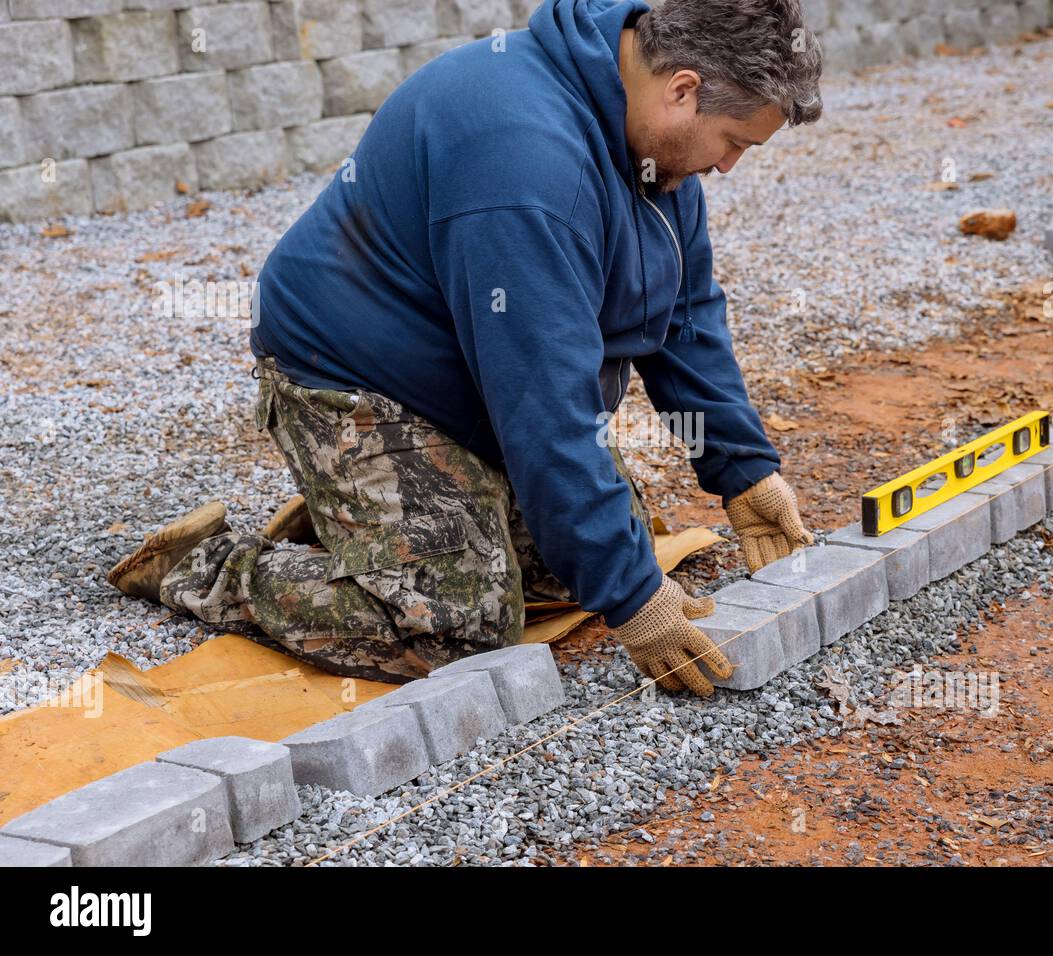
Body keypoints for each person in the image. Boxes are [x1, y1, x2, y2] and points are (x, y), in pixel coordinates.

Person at [109, 0, 823, 696]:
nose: (727, 166)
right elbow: (543, 408)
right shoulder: (527, 165)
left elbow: (684, 310)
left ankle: (379, 522)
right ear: (683, 90)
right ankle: (206, 565)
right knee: (455, 624)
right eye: (734, 142)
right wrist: (637, 603)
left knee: (579, 557)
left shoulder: (652, 140)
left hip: (478, 371)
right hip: (356, 374)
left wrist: (743, 470)